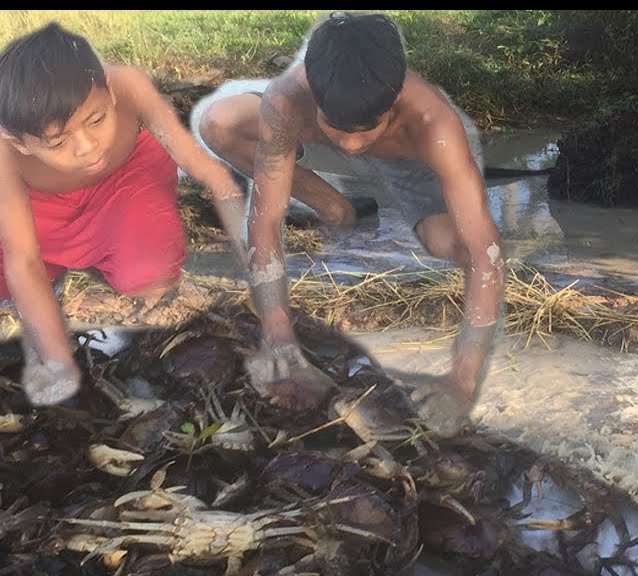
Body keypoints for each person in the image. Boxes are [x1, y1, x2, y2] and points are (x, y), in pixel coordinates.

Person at [192, 11, 505, 436]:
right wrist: (279, 334)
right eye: (339, 128)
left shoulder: (435, 124)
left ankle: (367, 169)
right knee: (217, 121)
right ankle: (337, 208)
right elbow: (264, 221)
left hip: (408, 159)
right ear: (314, 98)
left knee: (456, 247)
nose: (353, 145)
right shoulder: (288, 99)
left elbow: (487, 257)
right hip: (309, 131)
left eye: (366, 130)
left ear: (393, 100)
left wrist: (462, 383)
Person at [0, 22, 247, 406]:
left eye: (96, 120)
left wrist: (253, 260)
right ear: (18, 142)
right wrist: (57, 360)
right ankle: (54, 275)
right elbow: (21, 259)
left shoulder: (128, 84)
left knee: (149, 279)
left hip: (127, 180)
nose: (88, 147)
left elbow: (211, 176)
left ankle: (106, 256)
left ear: (108, 92)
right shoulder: (0, 150)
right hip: (45, 210)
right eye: (58, 141)